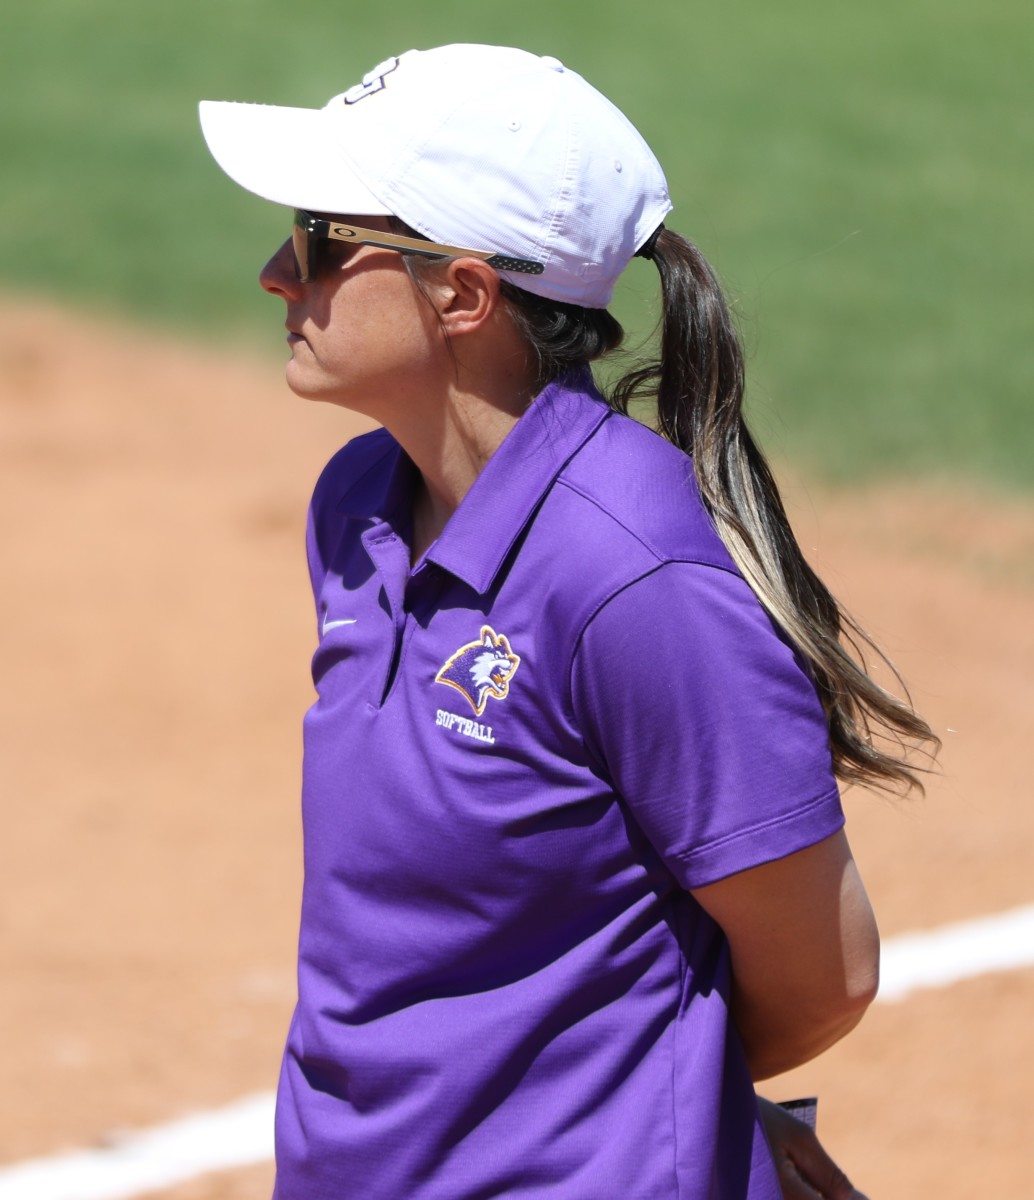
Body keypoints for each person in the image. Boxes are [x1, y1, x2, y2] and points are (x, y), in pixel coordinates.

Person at [199, 44, 935, 1199]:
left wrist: (656, 1108)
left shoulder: (630, 578)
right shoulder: (358, 507)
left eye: (319, 240)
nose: (274, 275)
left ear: (463, 294)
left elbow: (821, 971)